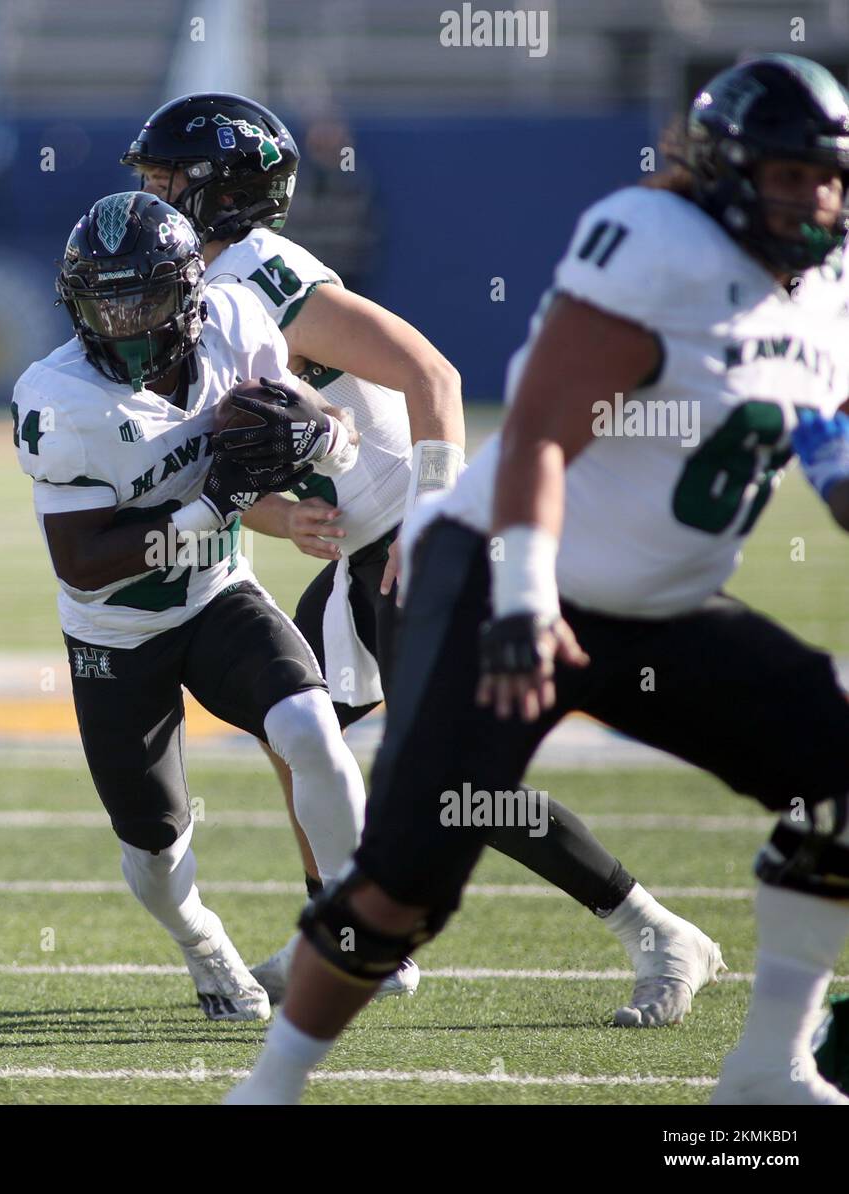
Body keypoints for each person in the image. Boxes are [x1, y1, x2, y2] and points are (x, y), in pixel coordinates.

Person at [227, 53, 849, 1106]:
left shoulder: (828, 293)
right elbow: (536, 446)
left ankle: (767, 1070)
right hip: (504, 581)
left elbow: (834, 466)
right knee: (402, 886)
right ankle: (268, 1089)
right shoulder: (656, 246)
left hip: (660, 606)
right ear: (731, 171)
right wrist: (519, 605)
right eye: (789, 176)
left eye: (827, 177)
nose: (814, 200)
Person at [125, 92, 723, 1020]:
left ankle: (656, 931)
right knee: (298, 727)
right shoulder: (205, 285)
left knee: (460, 783)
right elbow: (259, 440)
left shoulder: (265, 270)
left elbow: (432, 376)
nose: (155, 193)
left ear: (225, 190)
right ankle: (354, 934)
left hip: (419, 542)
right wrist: (285, 518)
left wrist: (431, 523)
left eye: (169, 178)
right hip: (367, 550)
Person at [13, 190, 366, 1021]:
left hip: (216, 594)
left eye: (145, 297)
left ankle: (359, 932)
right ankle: (203, 944)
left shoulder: (239, 321)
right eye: (106, 300)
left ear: (192, 292)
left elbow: (312, 417)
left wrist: (325, 434)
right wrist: (213, 507)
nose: (125, 319)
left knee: (312, 732)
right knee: (157, 846)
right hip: (119, 630)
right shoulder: (56, 396)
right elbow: (86, 563)